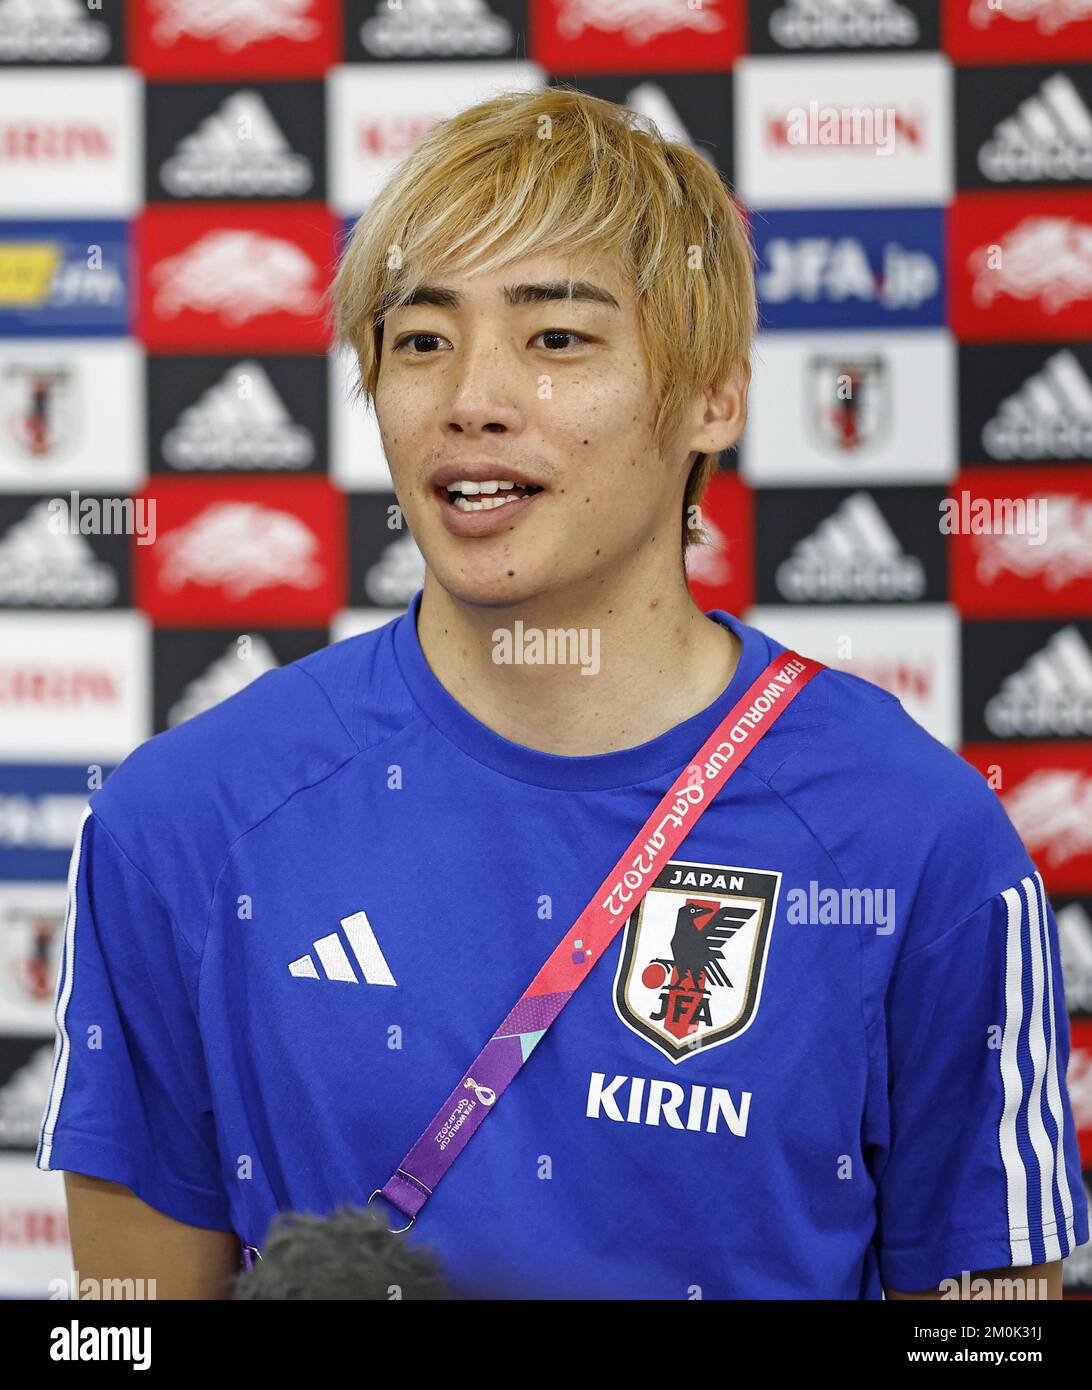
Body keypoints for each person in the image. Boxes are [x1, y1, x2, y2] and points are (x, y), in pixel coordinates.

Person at [39, 87, 1087, 1300]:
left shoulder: (919, 838)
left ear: (715, 398)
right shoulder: (182, 819)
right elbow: (121, 1329)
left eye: (557, 339)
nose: (472, 398)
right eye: (422, 339)